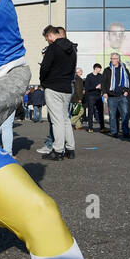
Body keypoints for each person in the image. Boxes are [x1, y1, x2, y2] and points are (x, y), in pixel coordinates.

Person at [39, 25, 76, 161]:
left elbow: (45, 67)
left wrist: (43, 82)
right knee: (65, 119)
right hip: (67, 87)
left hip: (53, 86)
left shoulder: (53, 48)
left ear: (50, 35)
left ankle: (58, 150)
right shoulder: (72, 48)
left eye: (47, 38)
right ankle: (70, 148)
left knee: (57, 120)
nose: (47, 41)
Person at [103, 53, 130, 138]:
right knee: (112, 116)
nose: (112, 60)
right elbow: (103, 82)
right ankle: (114, 132)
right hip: (111, 97)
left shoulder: (124, 70)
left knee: (125, 115)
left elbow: (129, 82)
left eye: (114, 58)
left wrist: (127, 91)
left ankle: (125, 132)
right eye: (111, 58)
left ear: (118, 59)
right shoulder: (107, 70)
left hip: (122, 96)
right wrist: (104, 92)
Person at [81, 63, 104, 132]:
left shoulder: (101, 76)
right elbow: (87, 88)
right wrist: (95, 87)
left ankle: (102, 127)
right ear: (95, 68)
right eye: (99, 68)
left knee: (100, 112)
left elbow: (103, 84)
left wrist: (102, 87)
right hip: (91, 96)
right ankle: (90, 127)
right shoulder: (89, 76)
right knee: (90, 112)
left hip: (99, 96)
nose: (100, 70)